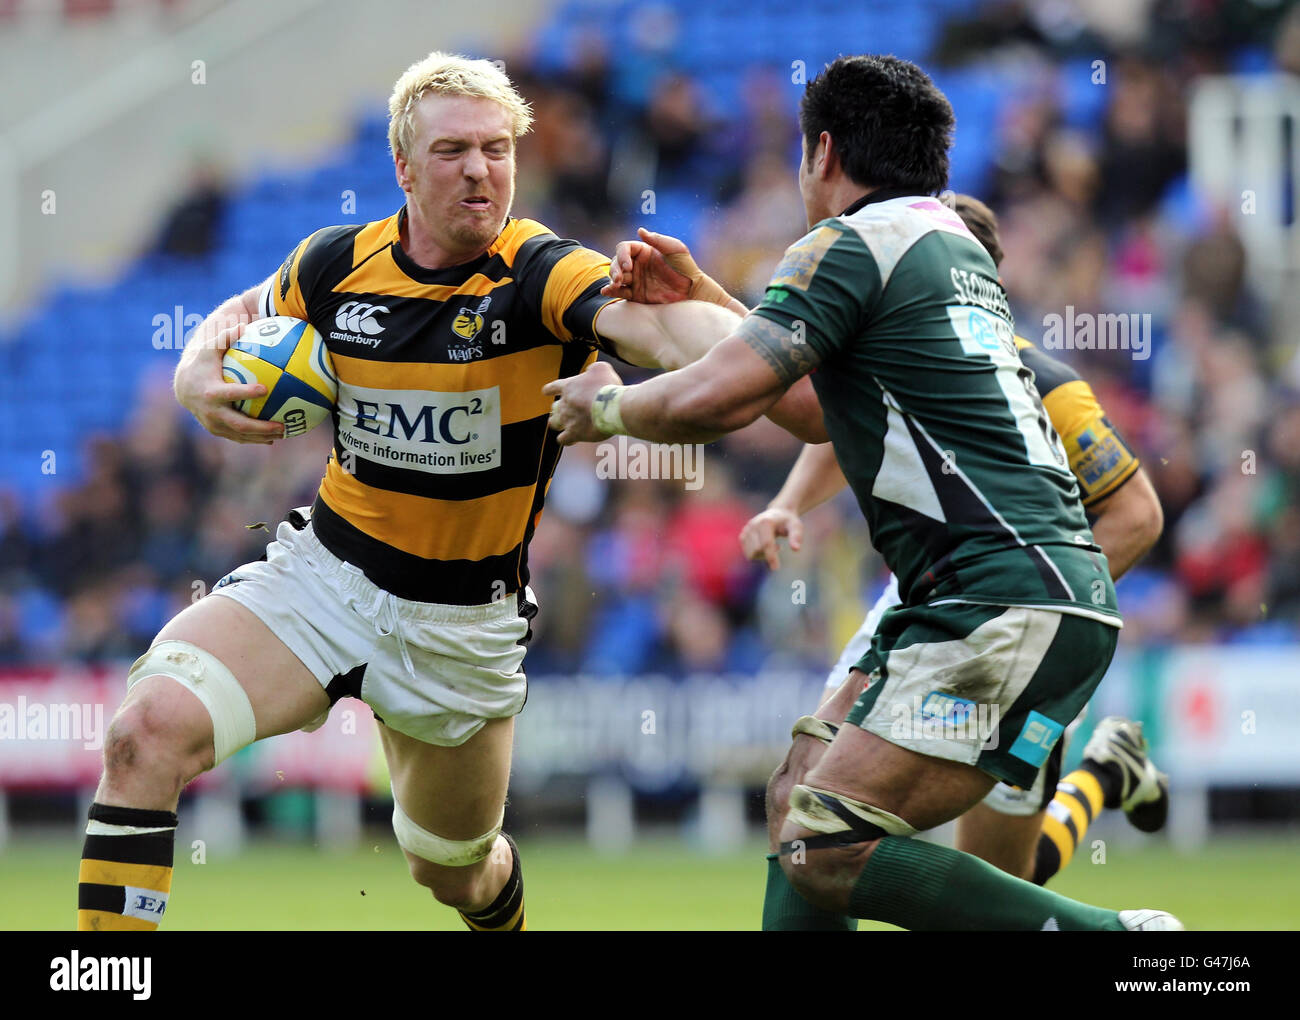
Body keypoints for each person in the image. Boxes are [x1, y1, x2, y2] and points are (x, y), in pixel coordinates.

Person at [77, 52, 750, 933]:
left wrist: (730, 331)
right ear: (402, 166)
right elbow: (236, 316)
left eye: (497, 148)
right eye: (453, 150)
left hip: (462, 628)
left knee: (454, 874)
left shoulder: (545, 272)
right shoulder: (334, 265)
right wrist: (193, 372)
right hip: (324, 581)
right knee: (144, 732)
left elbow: (673, 333)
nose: (480, 169)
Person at [547, 54, 1181, 930]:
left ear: (824, 152)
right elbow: (815, 404)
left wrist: (611, 406)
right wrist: (709, 297)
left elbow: (723, 396)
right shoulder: (946, 245)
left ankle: (1126, 943)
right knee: (799, 798)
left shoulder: (853, 242)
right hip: (990, 600)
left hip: (997, 603)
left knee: (826, 840)